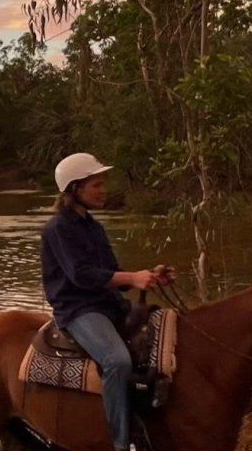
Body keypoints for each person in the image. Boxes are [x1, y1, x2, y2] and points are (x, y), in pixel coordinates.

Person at [41, 153, 177, 451]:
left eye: (103, 183)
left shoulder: (94, 228)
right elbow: (80, 275)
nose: (103, 190)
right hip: (78, 309)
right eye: (96, 184)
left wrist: (148, 276)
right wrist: (132, 277)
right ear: (74, 188)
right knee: (117, 361)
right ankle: (120, 442)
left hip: (107, 304)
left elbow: (110, 272)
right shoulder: (57, 229)